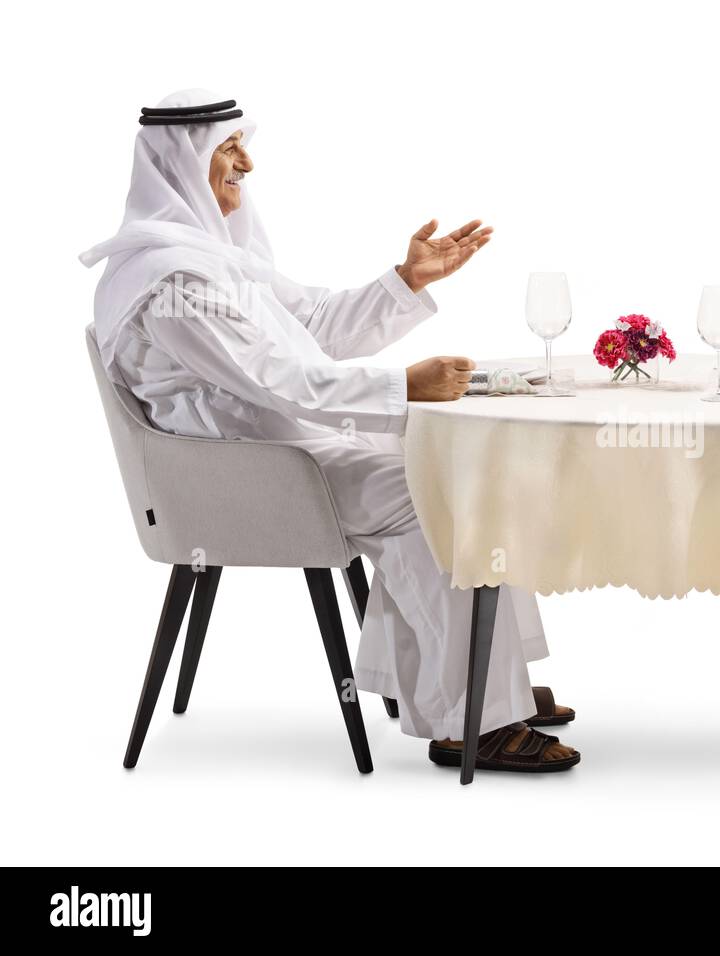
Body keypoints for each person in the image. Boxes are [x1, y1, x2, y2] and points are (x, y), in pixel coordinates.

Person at [81, 90, 578, 772]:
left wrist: (407, 281)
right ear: (179, 163)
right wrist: (404, 386)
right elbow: (276, 380)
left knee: (454, 463)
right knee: (436, 488)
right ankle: (473, 717)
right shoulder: (170, 280)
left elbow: (307, 331)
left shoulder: (202, 258)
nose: (245, 163)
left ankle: (480, 683)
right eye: (228, 149)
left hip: (280, 454)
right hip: (249, 477)